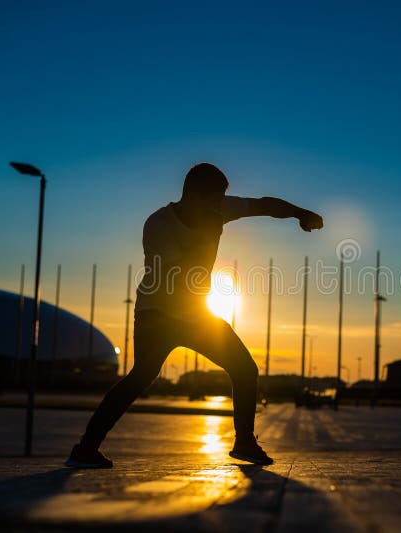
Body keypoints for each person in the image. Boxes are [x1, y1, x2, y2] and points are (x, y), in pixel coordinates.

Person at [66, 163, 323, 468]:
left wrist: (300, 213)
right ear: (192, 195)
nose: (218, 208)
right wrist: (207, 234)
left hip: (196, 313)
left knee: (244, 369)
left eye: (220, 201)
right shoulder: (159, 225)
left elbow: (263, 205)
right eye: (212, 201)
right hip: (157, 313)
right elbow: (180, 277)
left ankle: (244, 442)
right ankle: (86, 448)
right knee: (141, 376)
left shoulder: (217, 208)